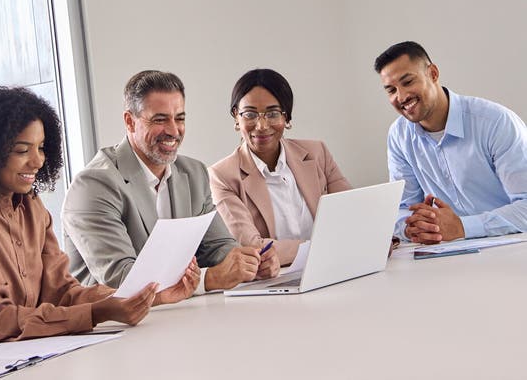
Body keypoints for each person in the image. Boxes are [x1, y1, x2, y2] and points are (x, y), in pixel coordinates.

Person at [0, 85, 174, 361]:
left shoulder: (30, 205)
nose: (37, 161)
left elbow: (62, 293)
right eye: (22, 150)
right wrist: (98, 312)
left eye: (40, 148)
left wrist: (142, 296)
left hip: (18, 356)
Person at [62, 70, 279, 292]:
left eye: (180, 118)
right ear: (130, 121)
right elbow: (120, 278)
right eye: (160, 119)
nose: (174, 131)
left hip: (179, 315)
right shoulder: (93, 185)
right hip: (113, 323)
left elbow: (217, 247)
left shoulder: (193, 173)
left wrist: (248, 262)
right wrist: (208, 279)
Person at [375, 40, 527, 243]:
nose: (401, 96)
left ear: (433, 73)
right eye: (391, 90)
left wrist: (462, 227)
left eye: (408, 82)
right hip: (447, 255)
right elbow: (403, 208)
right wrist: (414, 228)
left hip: (510, 251)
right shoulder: (398, 136)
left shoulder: (495, 122)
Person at [209, 68, 351, 267]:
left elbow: (353, 216)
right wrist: (328, 245)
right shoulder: (222, 176)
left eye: (273, 113)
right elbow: (253, 248)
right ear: (236, 117)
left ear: (287, 117)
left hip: (335, 266)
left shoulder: (317, 153)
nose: (261, 125)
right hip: (278, 281)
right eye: (250, 114)